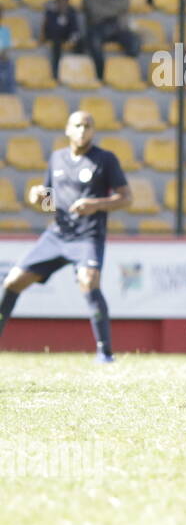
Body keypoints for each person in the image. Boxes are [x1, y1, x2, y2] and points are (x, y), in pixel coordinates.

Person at [0, 111, 133, 362]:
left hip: (87, 236)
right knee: (12, 282)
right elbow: (51, 203)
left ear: (93, 131)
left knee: (88, 281)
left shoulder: (105, 159)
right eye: (78, 125)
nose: (83, 130)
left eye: (88, 126)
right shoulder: (57, 158)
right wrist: (37, 197)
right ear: (67, 130)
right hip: (57, 235)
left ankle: (105, 353)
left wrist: (96, 204)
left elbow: (127, 198)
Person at [81, 0, 140, 80]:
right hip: (97, 27)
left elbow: (126, 4)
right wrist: (115, 10)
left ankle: (127, 71)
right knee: (94, 42)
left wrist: (105, 10)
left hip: (116, 27)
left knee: (134, 40)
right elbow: (95, 11)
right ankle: (100, 73)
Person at [42, 0, 81, 76]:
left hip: (67, 36)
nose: (62, 4)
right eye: (60, 2)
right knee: (57, 43)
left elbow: (75, 28)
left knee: (80, 43)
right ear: (57, 2)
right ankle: (56, 72)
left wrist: (73, 38)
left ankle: (78, 69)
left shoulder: (71, 13)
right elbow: (49, 29)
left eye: (65, 2)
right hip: (55, 36)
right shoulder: (51, 13)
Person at [0, 8, 12, 94]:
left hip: (2, 62)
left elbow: (5, 53)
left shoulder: (5, 31)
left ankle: (8, 97)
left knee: (10, 65)